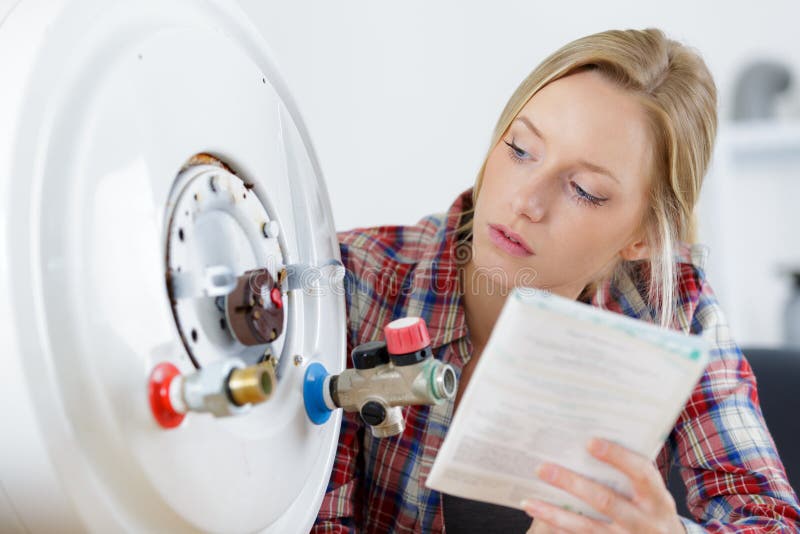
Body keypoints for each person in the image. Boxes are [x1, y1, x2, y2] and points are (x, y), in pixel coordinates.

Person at [312, 28, 800, 533]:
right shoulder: (354, 282)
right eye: (521, 149)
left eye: (584, 190)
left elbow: (769, 520)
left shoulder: (670, 306)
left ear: (642, 239)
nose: (527, 201)